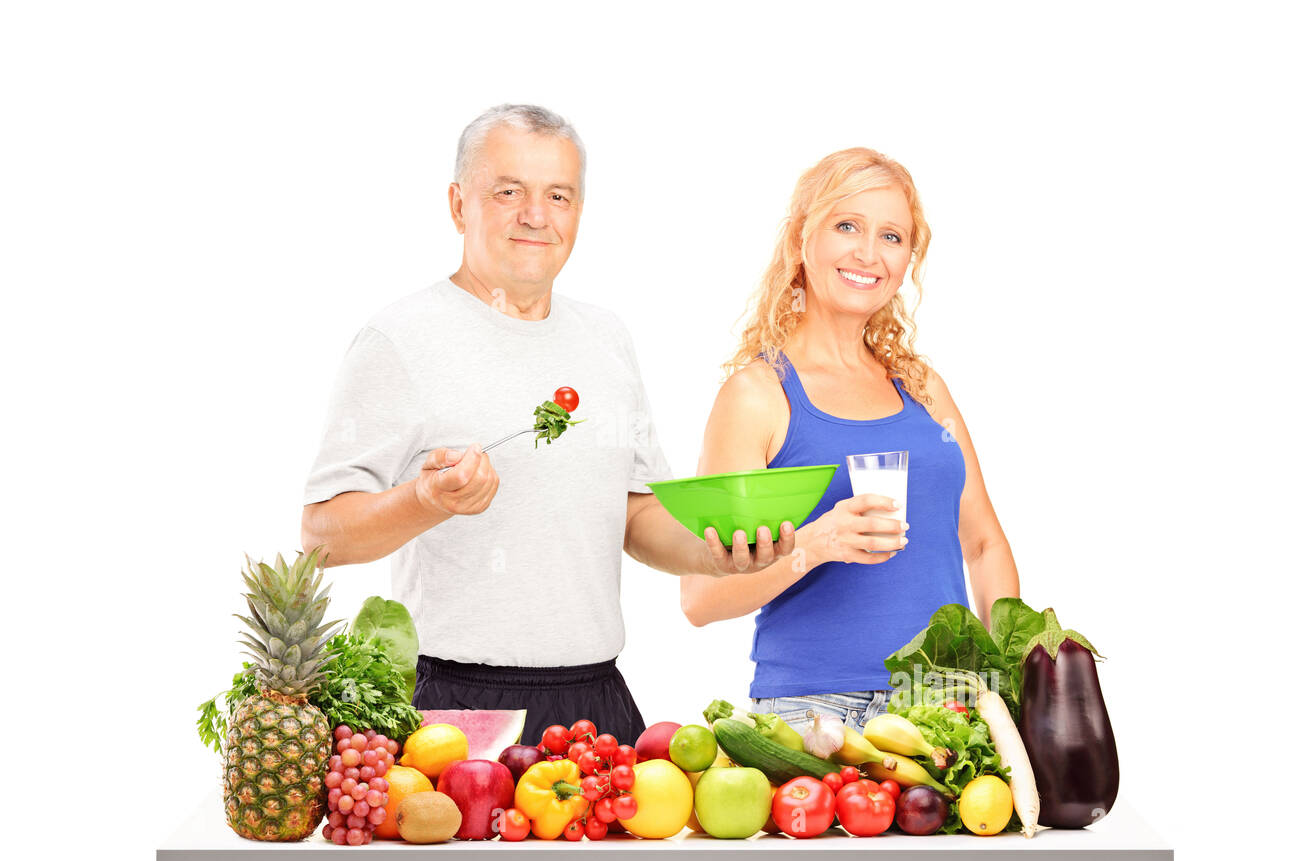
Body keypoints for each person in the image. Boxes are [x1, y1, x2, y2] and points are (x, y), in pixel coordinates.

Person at [301, 104, 789, 747]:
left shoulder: (606, 337)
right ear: (457, 204)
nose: (536, 214)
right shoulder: (399, 338)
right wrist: (424, 499)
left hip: (599, 699)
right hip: (453, 706)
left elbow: (637, 515)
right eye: (509, 191)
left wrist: (719, 554)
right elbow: (321, 536)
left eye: (558, 194)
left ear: (578, 210)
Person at [680, 147, 1019, 739]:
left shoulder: (922, 389)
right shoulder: (759, 396)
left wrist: (1009, 681)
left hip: (946, 707)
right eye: (846, 226)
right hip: (814, 714)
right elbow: (701, 596)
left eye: (891, 236)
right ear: (800, 239)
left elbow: (985, 544)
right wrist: (816, 542)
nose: (868, 253)